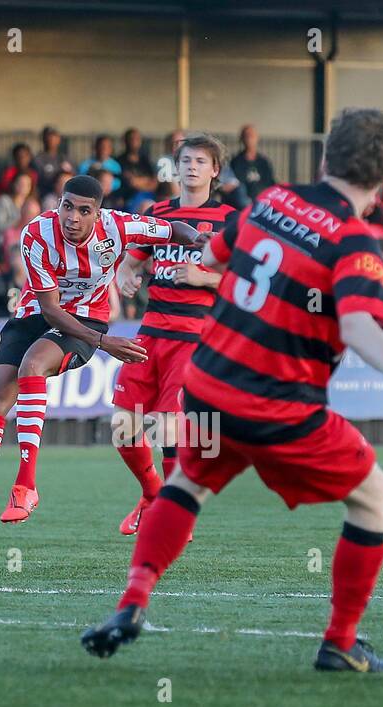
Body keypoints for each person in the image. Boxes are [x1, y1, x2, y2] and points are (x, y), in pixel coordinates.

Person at [80, 109, 383, 671]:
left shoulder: (273, 202)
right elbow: (360, 326)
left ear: (325, 158)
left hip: (211, 382)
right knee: (373, 493)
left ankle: (132, 601)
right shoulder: (356, 244)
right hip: (278, 403)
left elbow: (212, 257)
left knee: (187, 480)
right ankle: (340, 642)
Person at [0, 174, 203, 542]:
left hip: (87, 318)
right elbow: (50, 309)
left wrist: (200, 239)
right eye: (66, 206)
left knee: (33, 365)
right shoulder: (36, 234)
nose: (72, 217)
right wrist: (105, 343)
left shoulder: (119, 226)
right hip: (39, 314)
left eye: (83, 210)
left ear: (98, 214)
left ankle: (26, 484)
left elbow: (172, 230)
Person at [110, 133, 238, 535]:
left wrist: (204, 276)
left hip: (194, 337)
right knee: (123, 428)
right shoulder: (159, 212)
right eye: (186, 160)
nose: (192, 167)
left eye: (202, 161)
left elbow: (249, 283)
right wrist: (126, 272)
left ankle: (170, 516)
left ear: (215, 170)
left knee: (167, 427)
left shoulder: (231, 221)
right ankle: (151, 495)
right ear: (176, 166)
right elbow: (133, 260)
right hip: (149, 334)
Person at [230, 124, 276, 199]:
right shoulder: (236, 161)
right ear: (241, 139)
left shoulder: (264, 162)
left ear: (257, 138)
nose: (249, 139)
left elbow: (270, 182)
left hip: (262, 199)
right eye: (246, 136)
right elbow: (235, 183)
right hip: (244, 203)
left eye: (252, 136)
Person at [32, 126, 72, 196]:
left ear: (59, 139)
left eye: (54, 136)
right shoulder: (37, 159)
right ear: (43, 139)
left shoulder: (65, 158)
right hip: (45, 196)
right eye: (49, 136)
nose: (51, 139)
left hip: (65, 195)